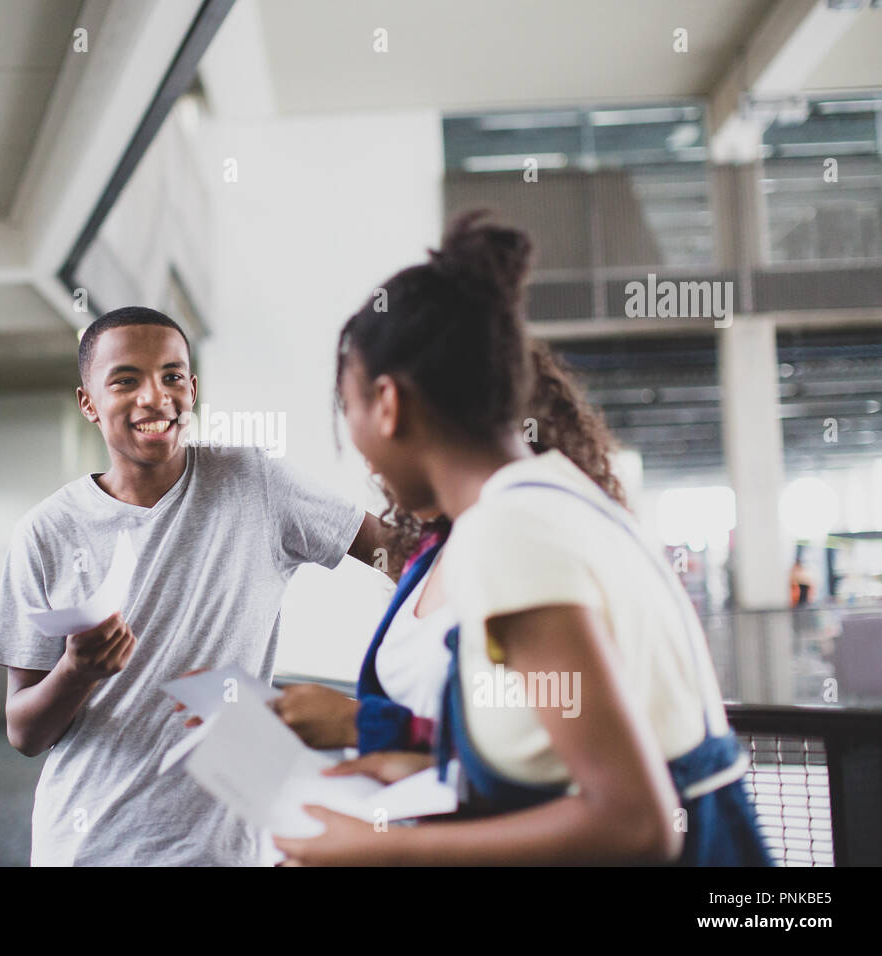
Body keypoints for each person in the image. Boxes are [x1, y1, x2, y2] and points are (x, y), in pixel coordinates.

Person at [273, 211, 770, 866]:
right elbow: (567, 753)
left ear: (388, 403)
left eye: (350, 411)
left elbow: (636, 825)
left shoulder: (505, 532)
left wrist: (379, 852)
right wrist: (435, 773)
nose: (360, 453)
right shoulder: (557, 499)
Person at [0, 306, 397, 866]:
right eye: (126, 380)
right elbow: (24, 732)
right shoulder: (47, 530)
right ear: (88, 404)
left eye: (172, 376)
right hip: (88, 846)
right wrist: (76, 672)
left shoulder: (255, 482)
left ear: (192, 389)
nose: (155, 397)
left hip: (224, 849)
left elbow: (399, 555)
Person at [272, 342, 630, 756]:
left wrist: (362, 727)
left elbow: (552, 754)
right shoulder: (432, 551)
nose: (370, 465)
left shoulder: (536, 546)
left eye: (373, 422)